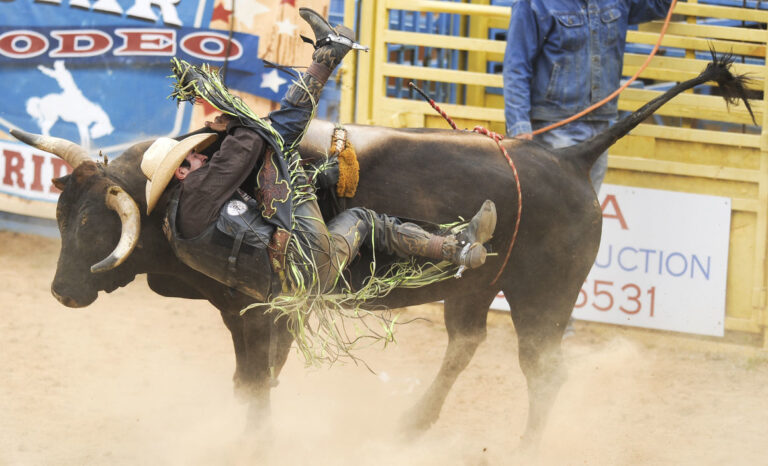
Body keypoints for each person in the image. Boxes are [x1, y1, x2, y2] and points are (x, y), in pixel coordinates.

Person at [140, 8, 497, 300]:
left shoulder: (182, 221)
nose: (201, 157)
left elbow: (257, 209)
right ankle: (327, 55)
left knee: (362, 218)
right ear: (181, 173)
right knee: (273, 138)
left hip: (293, 281)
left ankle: (457, 249)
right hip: (304, 262)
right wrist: (227, 109)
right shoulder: (198, 192)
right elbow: (251, 140)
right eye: (192, 159)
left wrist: (310, 178)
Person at [503, 0, 671, 194]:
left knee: (580, 212)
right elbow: (516, 66)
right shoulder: (533, 3)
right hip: (554, 127)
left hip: (601, 128)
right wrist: (519, 127)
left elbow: (660, 5)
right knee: (561, 209)